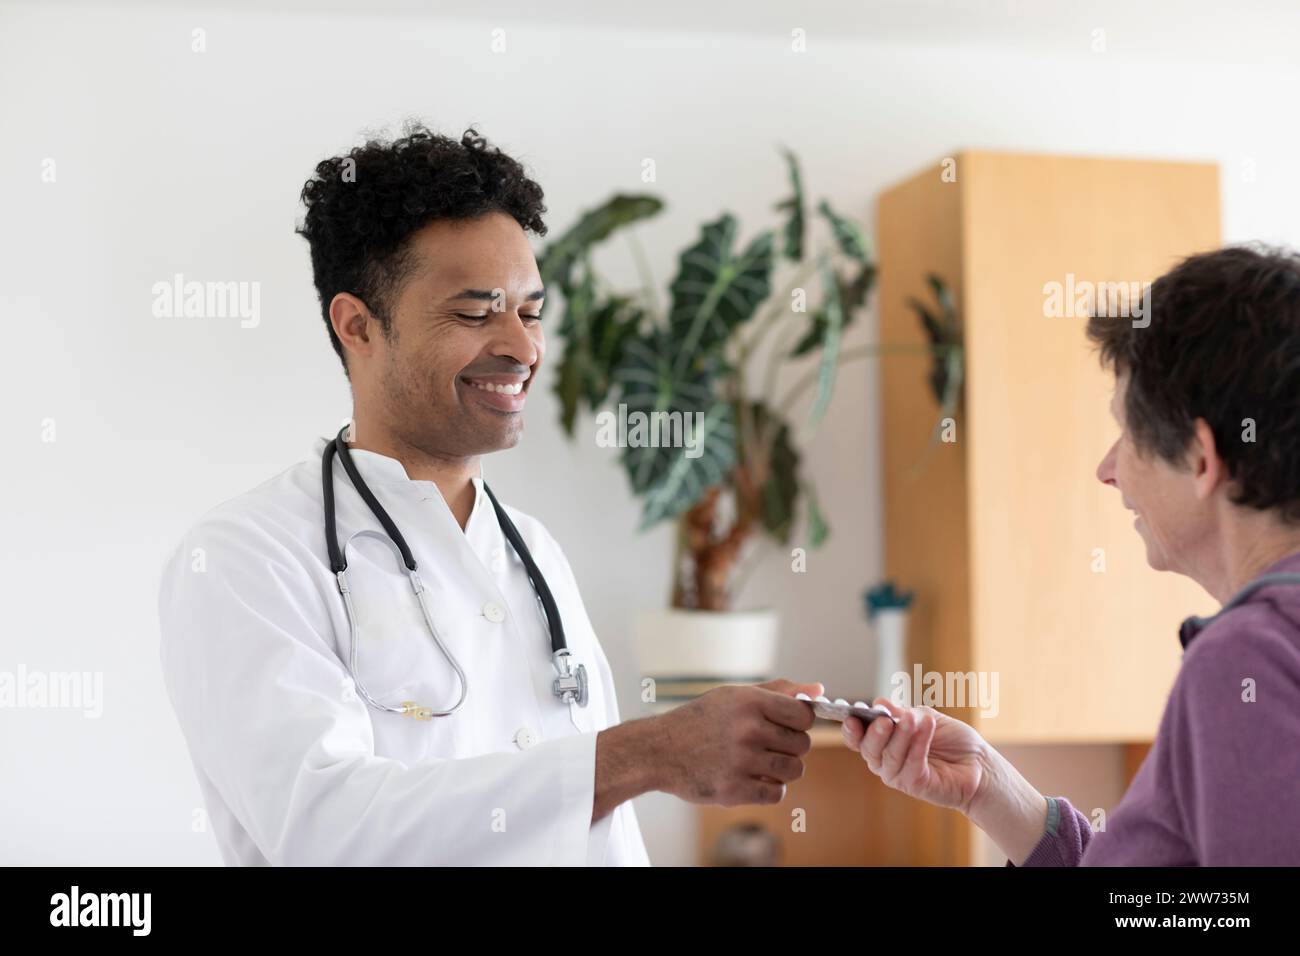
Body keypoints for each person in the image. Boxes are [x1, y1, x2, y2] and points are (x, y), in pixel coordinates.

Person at [157, 125, 820, 866]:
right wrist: (645, 754)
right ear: (357, 326)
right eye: (476, 313)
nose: (524, 347)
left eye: (531, 312)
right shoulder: (248, 557)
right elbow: (327, 834)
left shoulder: (531, 552)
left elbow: (606, 843)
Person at [843, 245, 1300, 865]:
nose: (1107, 470)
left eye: (1127, 432)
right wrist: (991, 790)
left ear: (1200, 457)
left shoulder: (1249, 656)